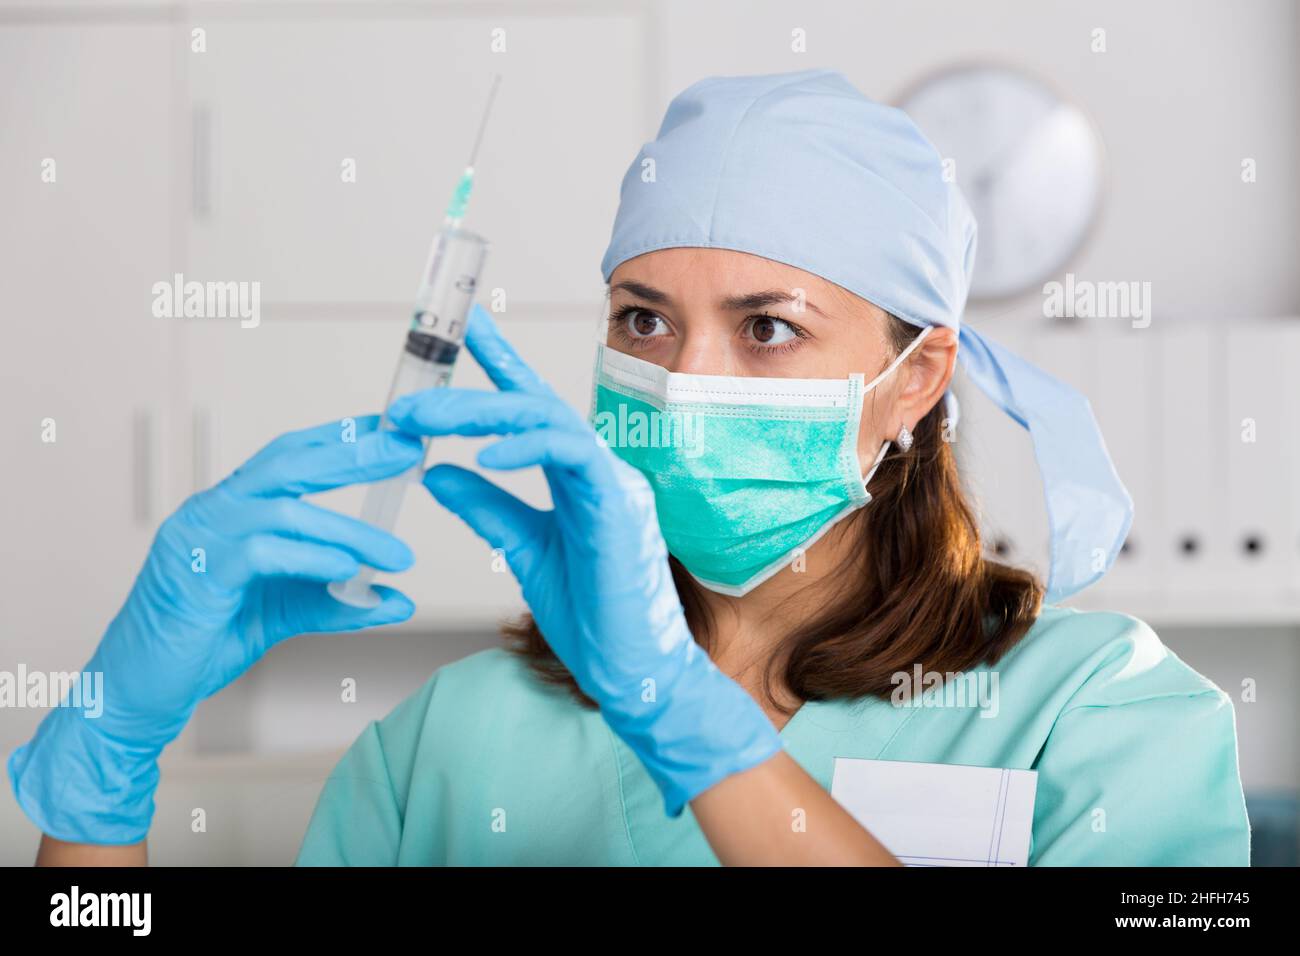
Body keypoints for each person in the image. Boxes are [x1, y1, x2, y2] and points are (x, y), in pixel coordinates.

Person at [10, 69, 1250, 866]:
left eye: (768, 328)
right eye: (643, 320)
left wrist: (683, 712)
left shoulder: (1103, 717)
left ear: (914, 380)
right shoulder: (453, 739)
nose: (681, 375)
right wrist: (102, 778)